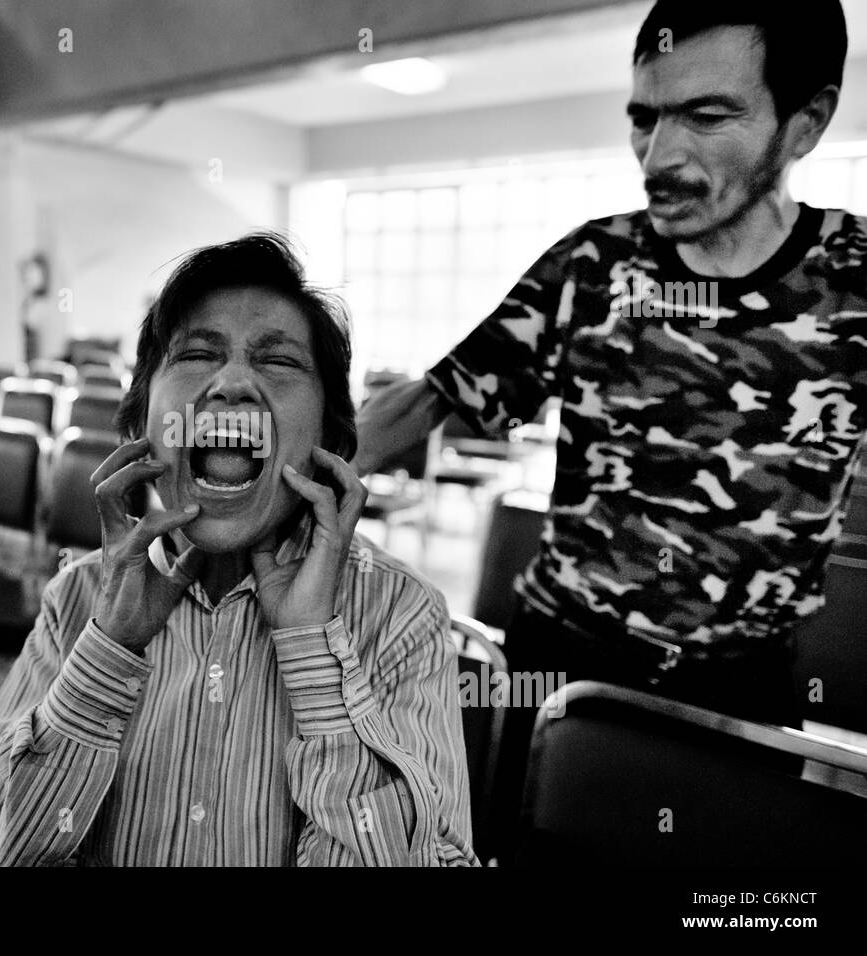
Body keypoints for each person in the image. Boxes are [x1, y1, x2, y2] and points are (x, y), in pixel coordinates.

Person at [351, 0, 864, 857]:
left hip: (737, 689)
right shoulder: (593, 266)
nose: (659, 157)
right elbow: (437, 395)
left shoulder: (853, 281)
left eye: (706, 116)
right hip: (560, 661)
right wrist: (297, 472)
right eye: (644, 118)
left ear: (807, 121)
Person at [0, 233, 476, 866]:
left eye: (278, 362)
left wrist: (311, 648)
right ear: (142, 425)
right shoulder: (77, 599)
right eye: (196, 353)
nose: (234, 382)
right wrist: (106, 654)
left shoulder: (402, 616)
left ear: (328, 437)